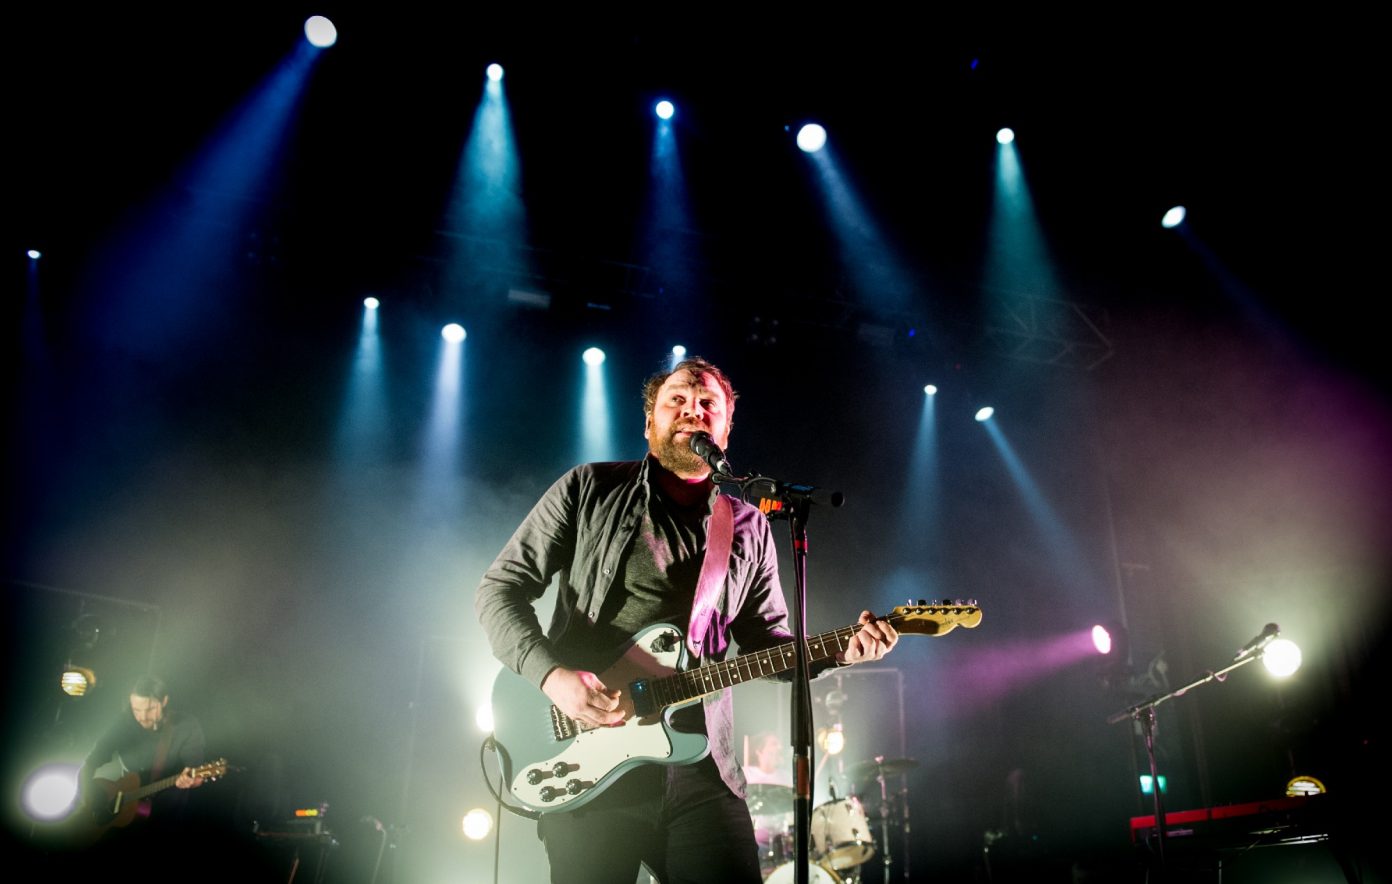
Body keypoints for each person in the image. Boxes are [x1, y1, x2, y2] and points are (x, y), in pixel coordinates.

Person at [476, 357, 898, 884]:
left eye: (707, 405)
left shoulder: (748, 527)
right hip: (588, 764)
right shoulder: (589, 490)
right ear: (649, 421)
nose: (692, 411)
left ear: (725, 428)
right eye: (676, 400)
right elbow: (499, 591)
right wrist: (552, 677)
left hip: (702, 773)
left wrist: (839, 651)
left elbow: (768, 643)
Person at [78, 675, 207, 838]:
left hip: (166, 812)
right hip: (123, 809)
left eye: (150, 709)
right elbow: (93, 759)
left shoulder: (186, 725)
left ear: (164, 701)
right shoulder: (126, 722)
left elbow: (196, 773)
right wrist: (87, 795)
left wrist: (191, 779)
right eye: (136, 710)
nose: (143, 716)